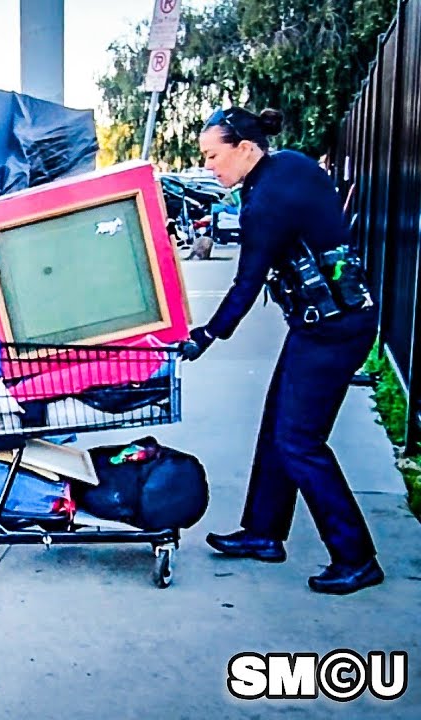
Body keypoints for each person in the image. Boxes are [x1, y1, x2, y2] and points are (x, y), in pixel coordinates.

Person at [186, 106, 383, 595]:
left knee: (299, 441)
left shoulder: (267, 200)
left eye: (214, 156)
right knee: (280, 427)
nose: (209, 166)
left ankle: (356, 557)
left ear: (245, 148)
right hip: (328, 323)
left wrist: (207, 335)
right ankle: (263, 533)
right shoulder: (290, 165)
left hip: (333, 331)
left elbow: (247, 282)